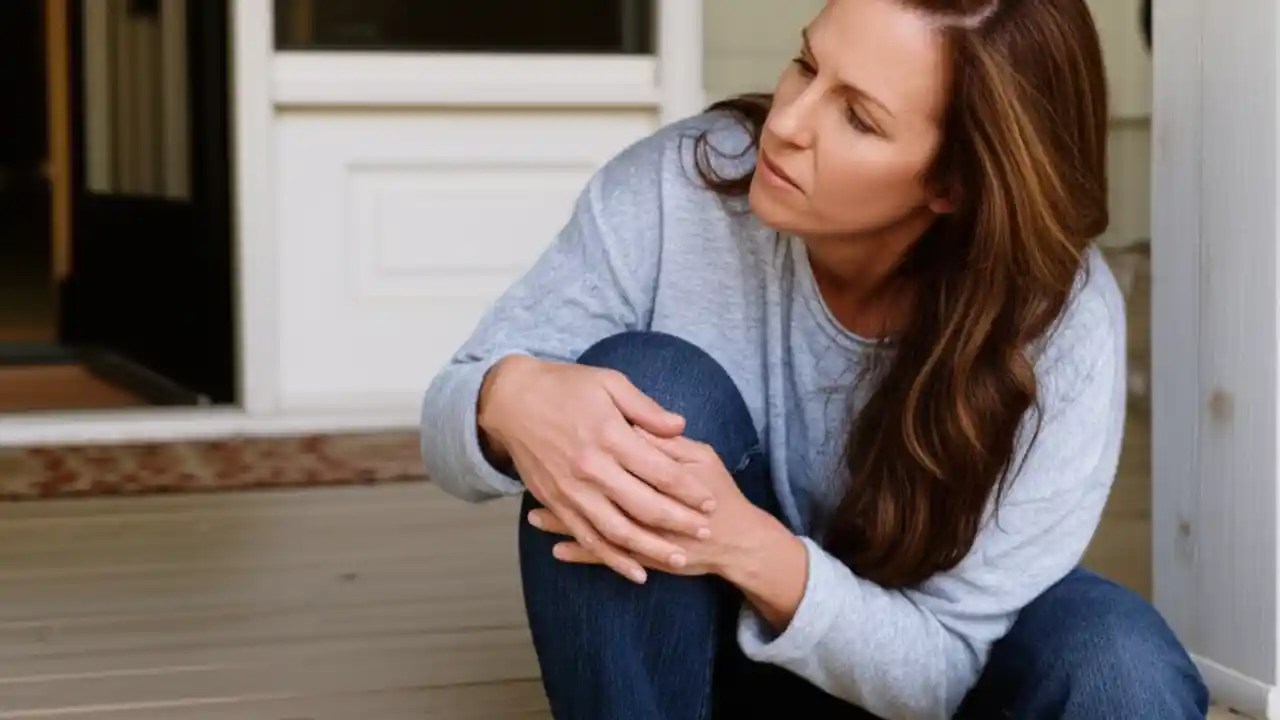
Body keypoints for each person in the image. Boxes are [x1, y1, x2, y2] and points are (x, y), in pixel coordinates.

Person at [420, 0, 1208, 717]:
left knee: (1122, 663)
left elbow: (939, 669)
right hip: (708, 670)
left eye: (857, 117)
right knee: (648, 388)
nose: (788, 122)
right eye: (806, 63)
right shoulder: (678, 188)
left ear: (953, 183)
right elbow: (450, 423)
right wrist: (506, 398)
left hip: (923, 670)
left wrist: (748, 545)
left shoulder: (1058, 323)